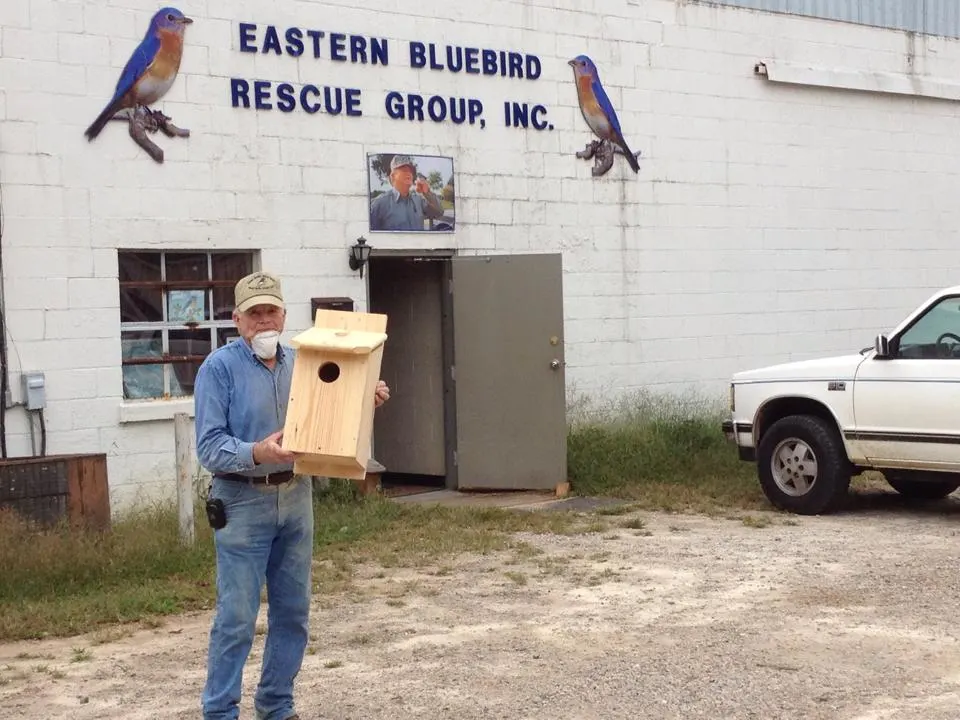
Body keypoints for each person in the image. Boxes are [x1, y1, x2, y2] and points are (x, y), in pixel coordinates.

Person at [194, 271, 390, 720]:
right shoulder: (218, 369)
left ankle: (276, 706)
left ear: (284, 314)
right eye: (255, 313)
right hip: (241, 500)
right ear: (237, 318)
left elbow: (329, 408)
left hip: (296, 497)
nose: (265, 322)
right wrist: (257, 451)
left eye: (272, 311)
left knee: (293, 613)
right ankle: (220, 712)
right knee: (237, 619)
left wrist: (365, 398)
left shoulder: (302, 359)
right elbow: (208, 447)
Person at [369, 154, 446, 231]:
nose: (408, 172)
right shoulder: (379, 204)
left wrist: (427, 193)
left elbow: (439, 212)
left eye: (410, 170)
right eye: (403, 169)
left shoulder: (418, 200)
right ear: (392, 176)